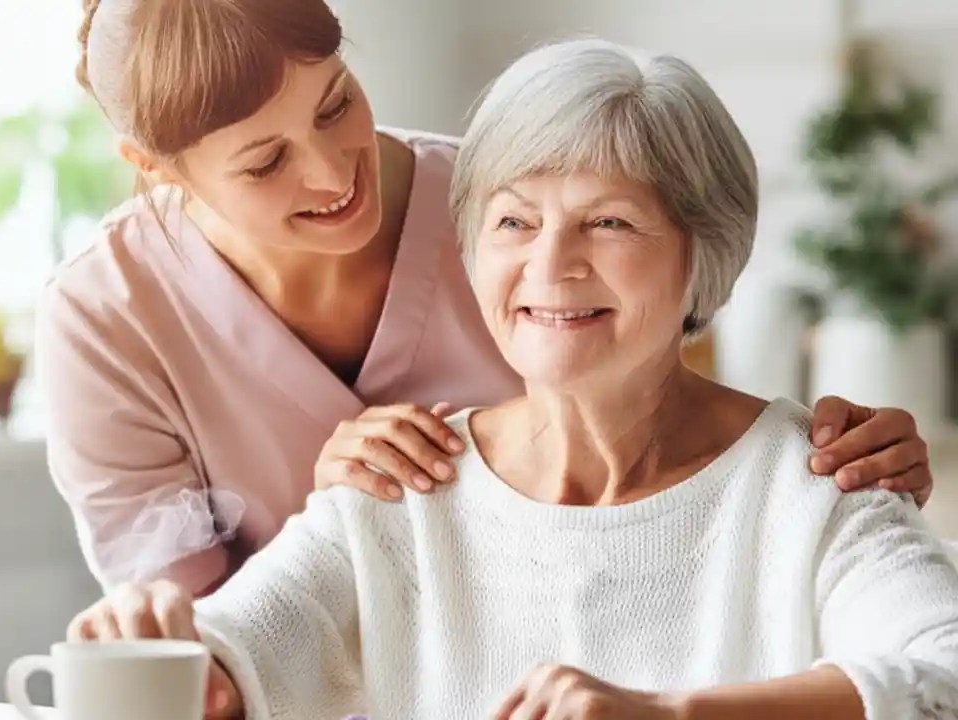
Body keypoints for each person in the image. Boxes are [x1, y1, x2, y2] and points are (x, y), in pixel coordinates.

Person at [65, 39, 958, 720]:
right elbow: (235, 657)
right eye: (514, 222)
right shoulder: (399, 490)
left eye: (608, 222)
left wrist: (671, 716)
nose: (552, 264)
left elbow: (946, 672)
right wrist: (156, 644)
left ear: (703, 255)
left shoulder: (819, 481)